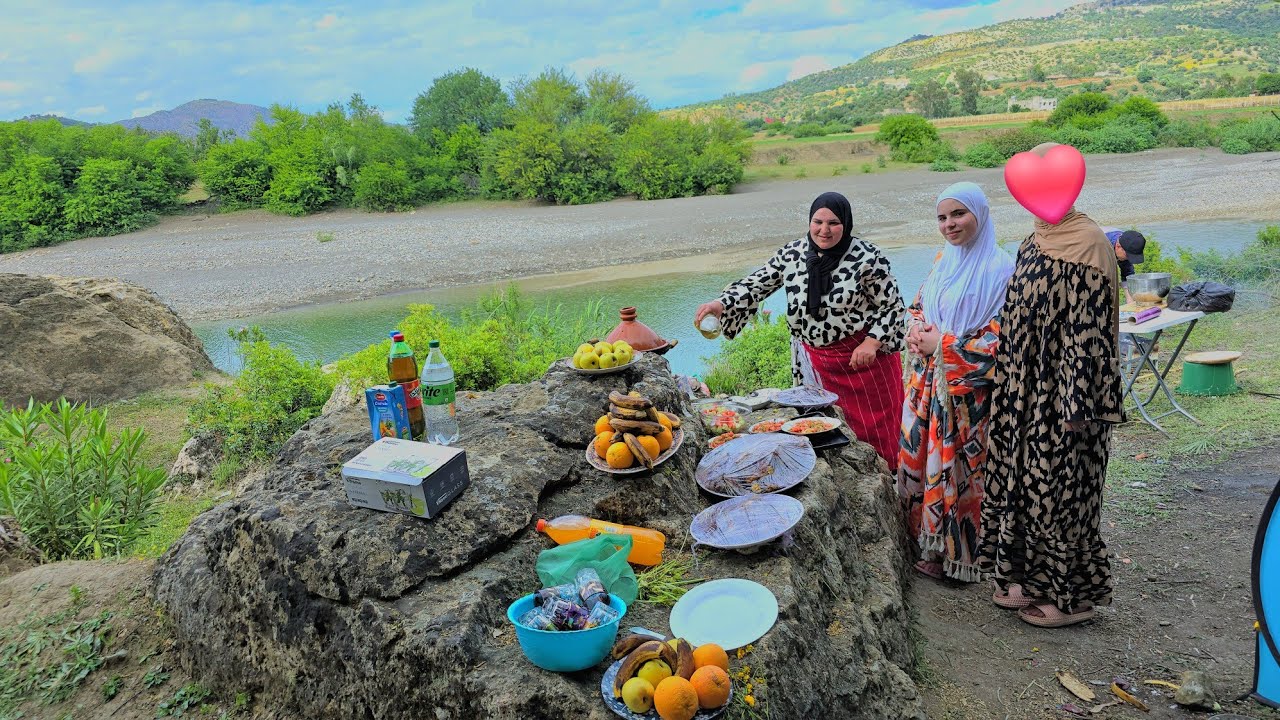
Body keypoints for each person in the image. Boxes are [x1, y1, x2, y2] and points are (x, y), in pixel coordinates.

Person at [978, 143, 1125, 628]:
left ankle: (1072, 599)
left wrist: (1077, 403)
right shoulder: (1032, 241)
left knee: (1062, 494)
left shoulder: (1090, 244)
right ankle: (1027, 579)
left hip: (1065, 397)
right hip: (1022, 391)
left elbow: (1090, 336)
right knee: (1022, 487)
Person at [694, 192, 906, 469]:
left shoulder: (868, 257)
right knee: (824, 429)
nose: (824, 230)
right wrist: (721, 303)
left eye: (833, 223)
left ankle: (888, 479)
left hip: (864, 363)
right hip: (816, 363)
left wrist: (872, 343)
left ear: (846, 224)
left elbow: (893, 306)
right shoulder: (793, 253)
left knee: (877, 431)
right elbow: (757, 284)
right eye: (818, 222)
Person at [898, 182, 1014, 583]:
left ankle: (959, 557)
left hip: (968, 397)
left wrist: (944, 346)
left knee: (962, 473)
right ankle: (927, 542)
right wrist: (916, 331)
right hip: (927, 385)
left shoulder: (1002, 271)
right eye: (942, 217)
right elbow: (919, 307)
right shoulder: (941, 262)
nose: (949, 224)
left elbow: (1004, 341)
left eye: (958, 214)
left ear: (979, 215)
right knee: (922, 464)